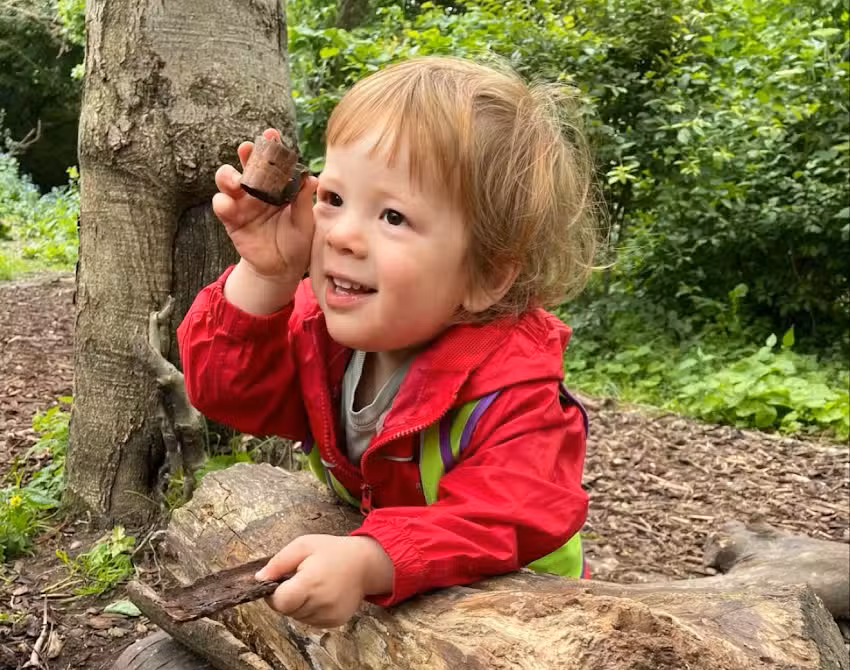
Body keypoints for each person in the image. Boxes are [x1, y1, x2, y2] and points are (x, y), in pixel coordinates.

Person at [177, 56, 598, 629]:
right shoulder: (323, 334)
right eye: (334, 199)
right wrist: (267, 276)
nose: (344, 236)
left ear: (487, 275)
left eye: (394, 216)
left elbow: (508, 513)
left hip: (527, 621)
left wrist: (373, 559)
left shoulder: (513, 392)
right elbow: (224, 393)